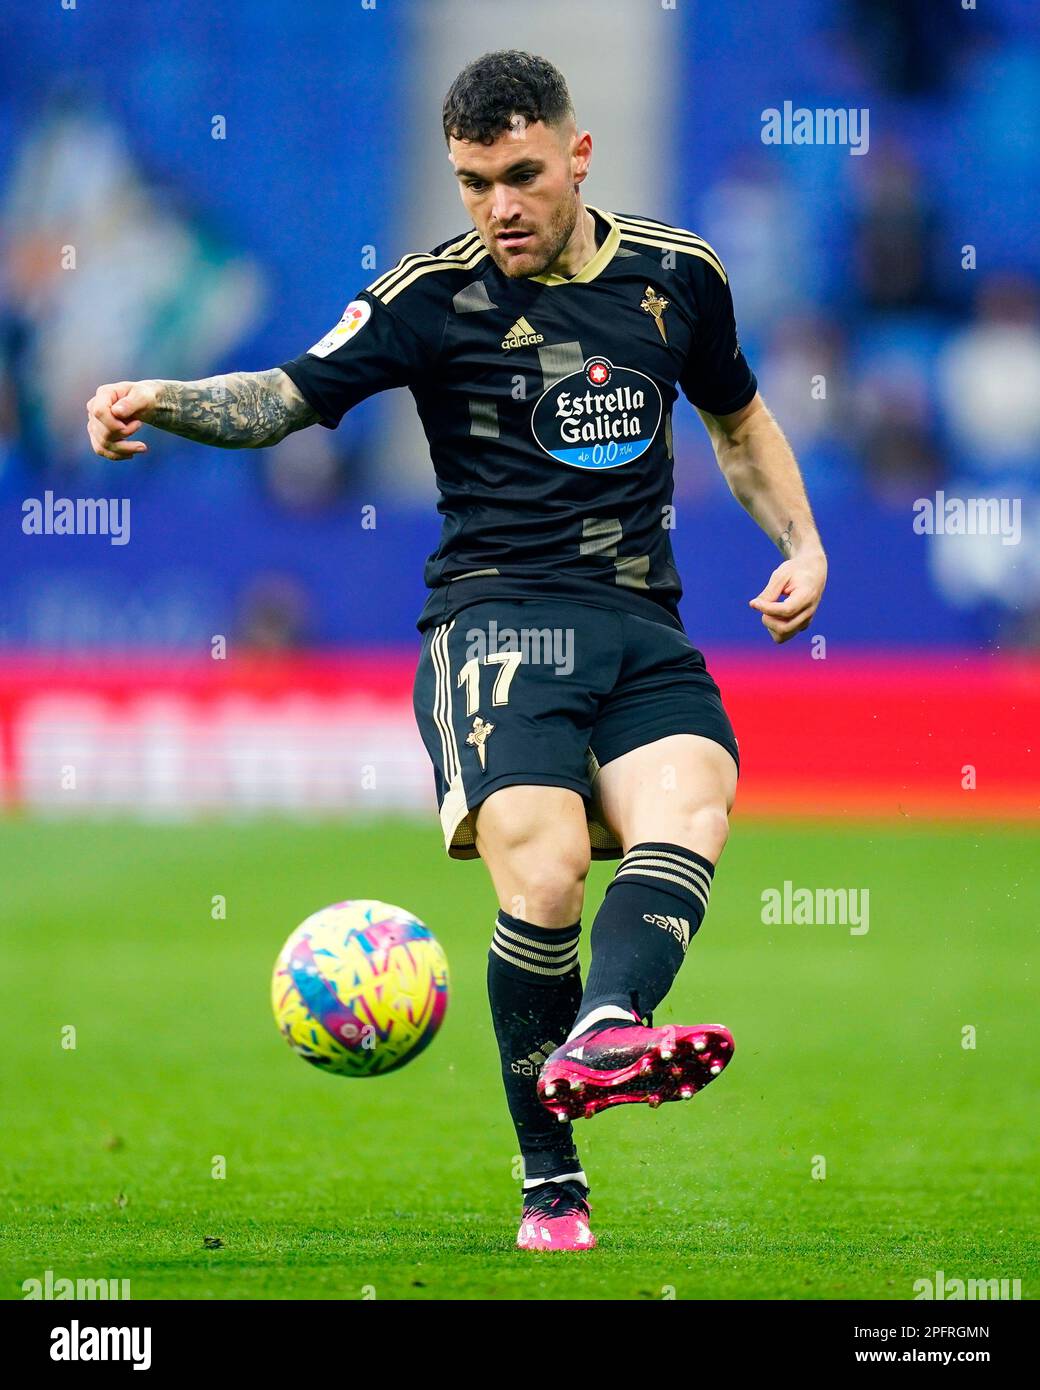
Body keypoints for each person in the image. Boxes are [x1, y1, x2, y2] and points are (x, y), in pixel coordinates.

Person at [86, 50, 827, 1253]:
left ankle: (602, 1030)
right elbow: (281, 396)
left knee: (694, 802)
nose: (500, 208)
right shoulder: (427, 298)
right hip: (496, 623)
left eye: (523, 176)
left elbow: (736, 418)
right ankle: (551, 1180)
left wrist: (797, 541)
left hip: (642, 622)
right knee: (542, 881)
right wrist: (157, 395)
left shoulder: (677, 278)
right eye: (474, 183)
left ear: (577, 157)